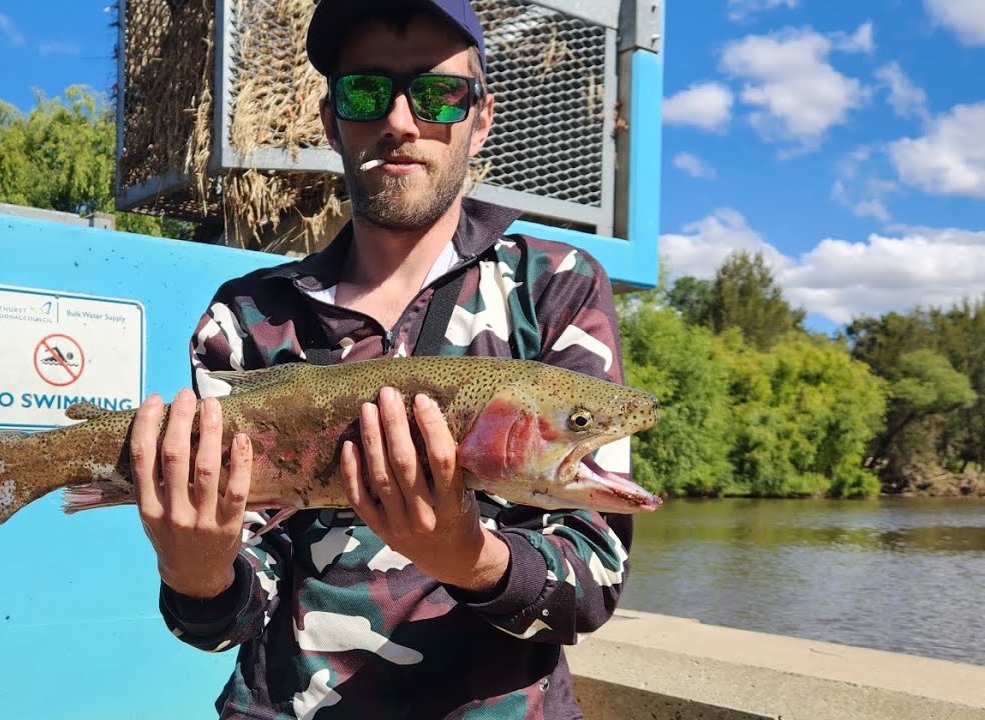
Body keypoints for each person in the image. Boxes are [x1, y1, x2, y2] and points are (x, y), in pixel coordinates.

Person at [128, 0, 636, 717]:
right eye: (366, 92)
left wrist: (468, 556)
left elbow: (592, 584)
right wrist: (196, 575)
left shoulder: (554, 285)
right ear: (332, 120)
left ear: (481, 119)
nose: (400, 120)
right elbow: (225, 621)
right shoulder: (246, 315)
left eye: (439, 94)